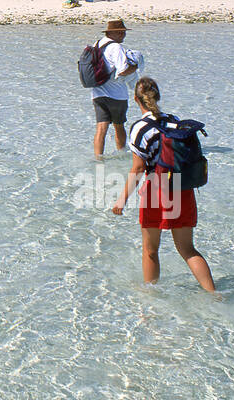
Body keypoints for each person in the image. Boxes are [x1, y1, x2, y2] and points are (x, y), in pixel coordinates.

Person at [111, 76, 215, 293]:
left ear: (136, 99)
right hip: (181, 188)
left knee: (150, 250)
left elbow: (138, 169)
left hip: (155, 191)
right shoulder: (175, 121)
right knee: (187, 249)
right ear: (157, 96)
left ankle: (150, 299)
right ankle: (213, 294)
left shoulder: (140, 128)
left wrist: (122, 199)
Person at [91, 18, 142, 159]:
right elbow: (123, 70)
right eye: (122, 32)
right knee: (119, 126)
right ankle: (121, 156)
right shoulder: (116, 47)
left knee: (101, 128)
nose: (124, 35)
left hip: (97, 93)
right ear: (117, 33)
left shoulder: (96, 45)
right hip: (117, 95)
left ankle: (98, 159)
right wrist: (136, 66)